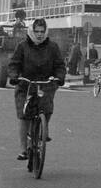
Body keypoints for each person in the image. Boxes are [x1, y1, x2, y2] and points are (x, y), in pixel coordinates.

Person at [8, 19, 66, 160]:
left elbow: (59, 65)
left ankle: (43, 129)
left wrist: (59, 77)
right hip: (25, 84)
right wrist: (15, 76)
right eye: (36, 31)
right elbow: (14, 64)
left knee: (47, 108)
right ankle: (24, 150)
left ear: (45, 32)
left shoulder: (52, 47)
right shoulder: (22, 46)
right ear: (31, 31)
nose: (39, 34)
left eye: (42, 31)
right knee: (24, 115)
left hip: (45, 83)